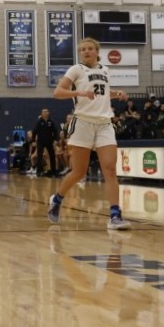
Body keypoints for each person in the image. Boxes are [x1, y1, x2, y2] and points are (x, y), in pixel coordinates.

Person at [46, 38, 130, 229]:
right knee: (79, 171)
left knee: (109, 169)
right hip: (82, 122)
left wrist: (117, 94)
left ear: (96, 51)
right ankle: (57, 199)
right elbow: (58, 92)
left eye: (90, 48)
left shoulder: (105, 70)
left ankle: (115, 215)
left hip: (104, 123)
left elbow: (102, 92)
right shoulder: (76, 70)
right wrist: (80, 94)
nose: (86, 51)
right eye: (83, 49)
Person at [32, 108, 60, 176]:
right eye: (44, 112)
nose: (45, 113)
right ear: (41, 113)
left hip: (49, 141)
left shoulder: (51, 122)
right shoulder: (38, 122)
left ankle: (53, 171)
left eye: (46, 111)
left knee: (52, 155)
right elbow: (34, 131)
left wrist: (56, 139)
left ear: (48, 113)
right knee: (39, 156)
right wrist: (33, 141)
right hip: (40, 141)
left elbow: (55, 131)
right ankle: (39, 171)